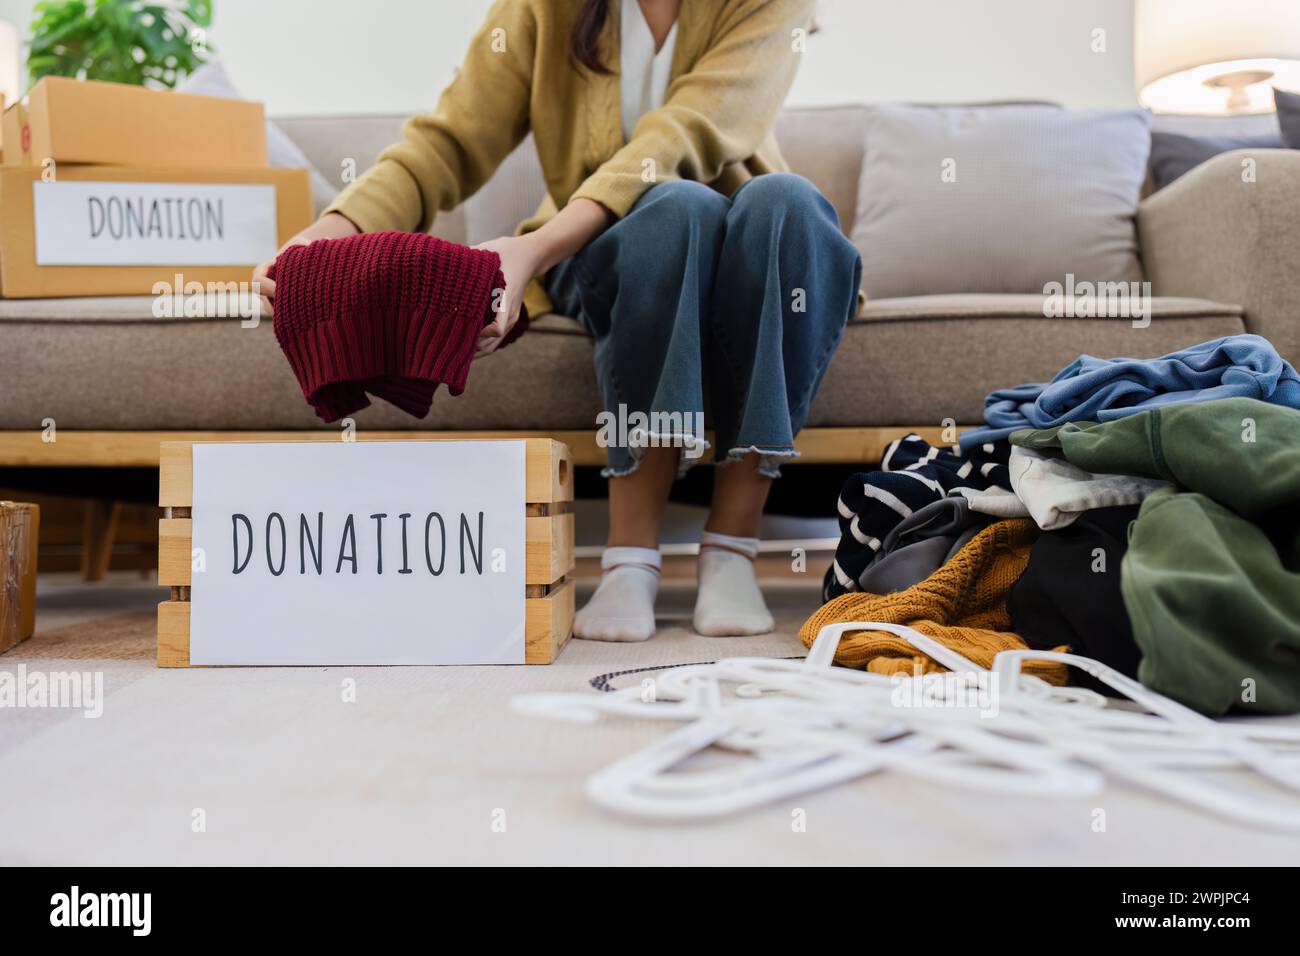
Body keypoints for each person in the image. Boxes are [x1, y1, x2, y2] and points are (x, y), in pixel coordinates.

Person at [253, 0, 862, 642]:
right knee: (675, 211)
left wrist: (532, 248)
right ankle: (632, 557)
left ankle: (732, 546)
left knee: (786, 202)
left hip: (749, 259)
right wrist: (330, 230)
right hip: (612, 254)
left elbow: (683, 133)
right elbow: (447, 141)